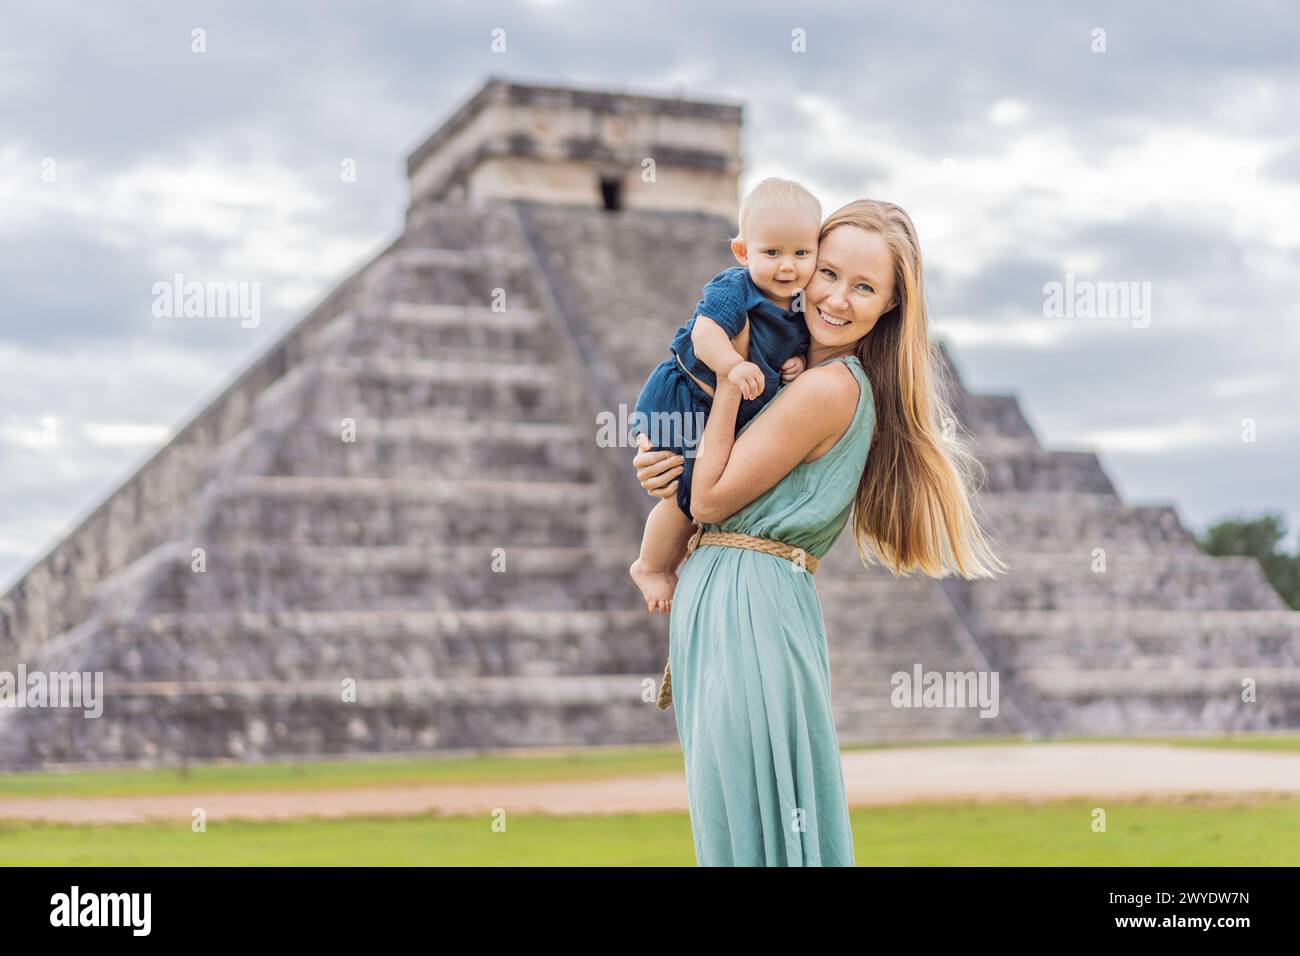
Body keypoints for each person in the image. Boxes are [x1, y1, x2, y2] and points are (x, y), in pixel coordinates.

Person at [631, 199, 1007, 866]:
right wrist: (665, 460)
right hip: (737, 601)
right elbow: (709, 482)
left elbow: (713, 494)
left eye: (864, 287)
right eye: (827, 273)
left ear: (891, 306)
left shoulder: (828, 389)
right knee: (747, 820)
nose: (835, 298)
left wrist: (724, 380)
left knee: (755, 825)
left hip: (750, 607)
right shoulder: (799, 379)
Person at [628, 178, 821, 613]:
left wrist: (795, 366)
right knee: (686, 491)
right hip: (682, 397)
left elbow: (783, 351)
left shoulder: (799, 306)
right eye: (772, 253)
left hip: (717, 410)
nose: (787, 266)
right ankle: (650, 565)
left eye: (801, 254)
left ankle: (672, 561)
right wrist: (731, 366)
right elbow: (705, 333)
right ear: (743, 252)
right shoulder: (737, 288)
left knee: (694, 493)